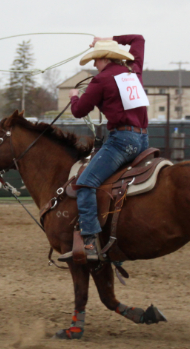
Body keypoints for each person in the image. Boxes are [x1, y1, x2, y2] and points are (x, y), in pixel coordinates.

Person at [57, 35, 149, 262]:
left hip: (122, 141)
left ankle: (89, 241)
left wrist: (74, 97)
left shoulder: (101, 80)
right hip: (143, 139)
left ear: (105, 58)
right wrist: (111, 38)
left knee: (85, 183)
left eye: (96, 60)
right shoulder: (133, 69)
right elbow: (138, 39)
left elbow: (79, 111)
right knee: (116, 185)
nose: (94, 64)